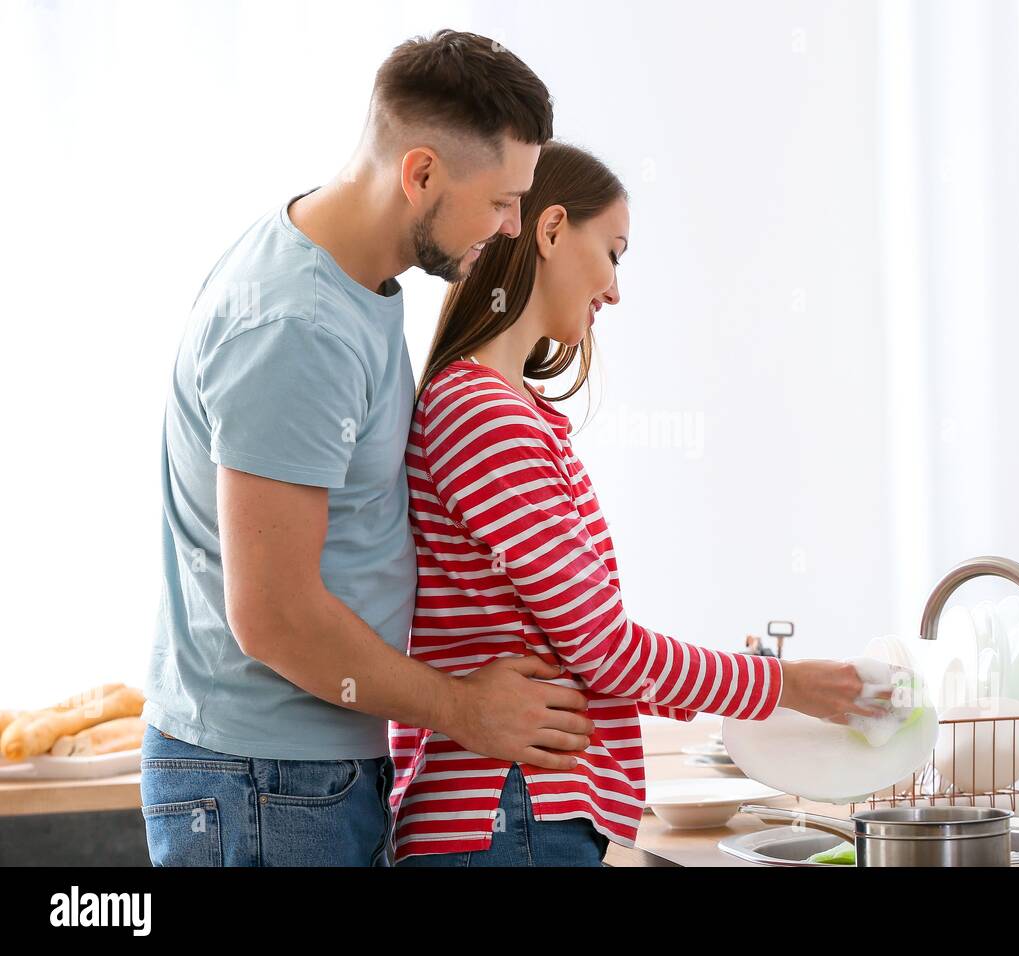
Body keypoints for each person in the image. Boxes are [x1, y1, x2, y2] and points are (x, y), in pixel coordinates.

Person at [141, 30, 594, 867]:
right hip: (264, 781)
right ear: (419, 171)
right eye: (501, 201)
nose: (512, 228)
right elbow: (274, 617)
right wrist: (465, 710)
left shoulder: (351, 275)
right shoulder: (295, 328)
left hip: (301, 766)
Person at [389, 141, 891, 867]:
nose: (616, 290)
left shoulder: (506, 409)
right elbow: (605, 649)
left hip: (514, 811)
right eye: (614, 252)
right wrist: (792, 686)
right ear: (552, 229)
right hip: (507, 811)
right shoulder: (483, 413)